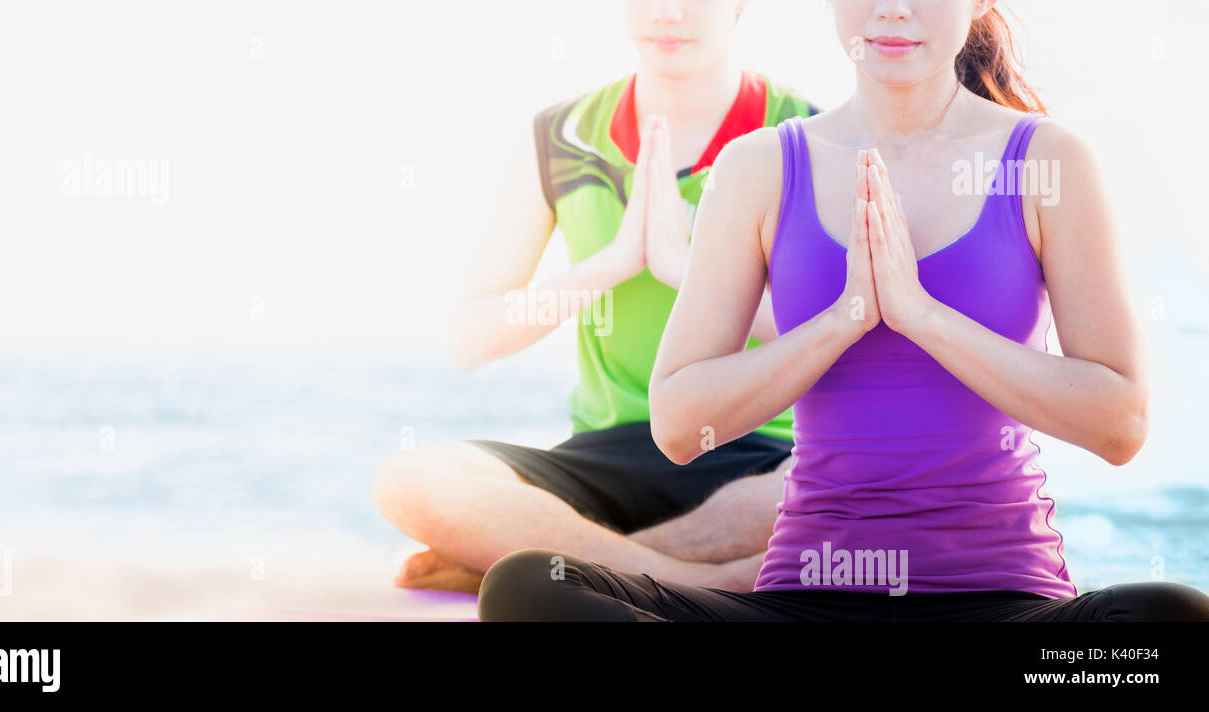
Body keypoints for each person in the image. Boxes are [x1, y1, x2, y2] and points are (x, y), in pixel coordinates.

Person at [476, 0, 1209, 621]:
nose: (894, 8)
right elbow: (676, 422)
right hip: (807, 597)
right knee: (529, 587)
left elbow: (1121, 424)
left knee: (1169, 620)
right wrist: (842, 319)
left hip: (998, 600)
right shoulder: (761, 166)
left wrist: (922, 315)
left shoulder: (1049, 162)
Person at [371, 0, 818, 593]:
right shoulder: (558, 135)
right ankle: (685, 579)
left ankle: (537, 565)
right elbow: (471, 339)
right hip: (603, 456)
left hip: (754, 454)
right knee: (409, 480)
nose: (668, 14)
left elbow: (831, 342)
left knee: (835, 487)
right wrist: (611, 264)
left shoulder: (806, 135)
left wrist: (685, 268)